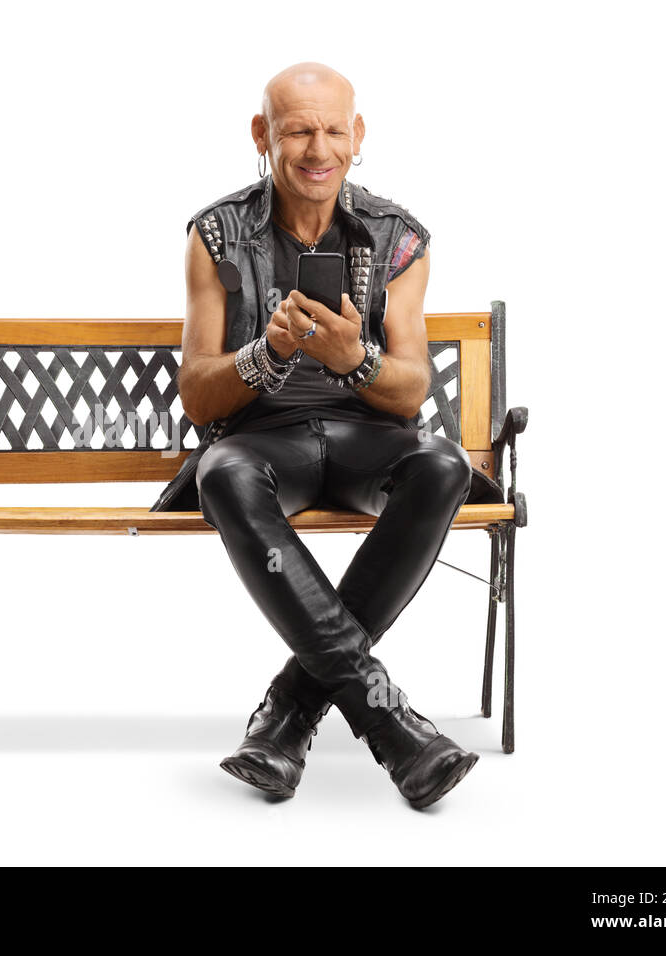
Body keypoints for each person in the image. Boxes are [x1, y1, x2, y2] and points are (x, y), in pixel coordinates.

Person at [150, 64, 480, 808]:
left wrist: (352, 359)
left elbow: (411, 386)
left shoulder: (399, 238)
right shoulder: (217, 233)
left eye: (334, 129)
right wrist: (266, 357)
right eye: (297, 128)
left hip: (367, 437)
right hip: (265, 441)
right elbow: (199, 394)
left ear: (357, 136)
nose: (317, 148)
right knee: (223, 472)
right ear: (264, 135)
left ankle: (288, 714)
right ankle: (392, 728)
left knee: (442, 466)